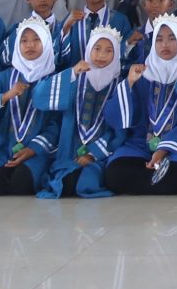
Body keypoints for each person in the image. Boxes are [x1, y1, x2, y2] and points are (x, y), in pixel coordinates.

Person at [0, 16, 65, 196]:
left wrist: (34, 148)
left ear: (47, 43)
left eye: (36, 40)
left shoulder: (55, 79)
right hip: (4, 146)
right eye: (24, 41)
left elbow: (58, 122)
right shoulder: (5, 77)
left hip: (39, 150)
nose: (30, 45)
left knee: (22, 183)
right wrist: (5, 96)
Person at [105, 14, 177, 194]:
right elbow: (121, 116)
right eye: (159, 40)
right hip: (140, 145)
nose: (164, 44)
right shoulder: (143, 73)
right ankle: (153, 182)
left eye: (172, 38)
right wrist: (129, 83)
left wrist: (164, 149)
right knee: (114, 173)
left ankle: (148, 181)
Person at [38, 25, 128, 198]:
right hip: (68, 153)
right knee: (64, 183)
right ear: (88, 50)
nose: (101, 55)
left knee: (86, 182)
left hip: (101, 155)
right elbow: (40, 97)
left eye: (109, 50)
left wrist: (94, 154)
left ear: (116, 54)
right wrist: (71, 73)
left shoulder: (120, 86)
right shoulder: (75, 78)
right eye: (97, 49)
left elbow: (120, 131)